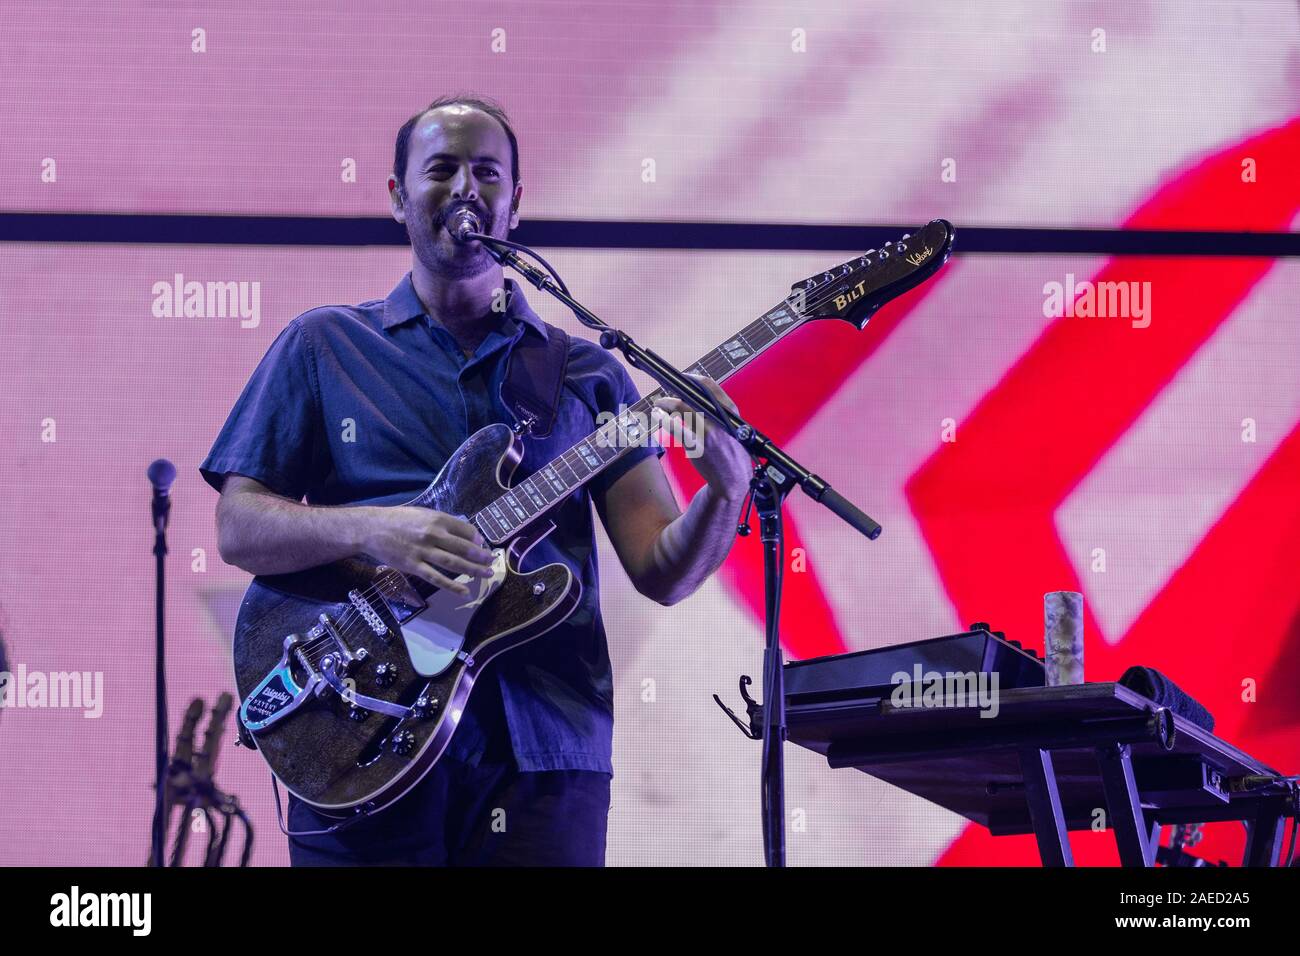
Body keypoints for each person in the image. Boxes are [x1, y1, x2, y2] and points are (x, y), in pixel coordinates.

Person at [200, 95, 752, 866]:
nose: (466, 187)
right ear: (396, 196)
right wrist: (375, 528)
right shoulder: (325, 346)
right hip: (358, 731)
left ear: (515, 204)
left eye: (487, 172)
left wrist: (724, 494)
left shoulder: (587, 373)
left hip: (543, 748)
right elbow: (238, 528)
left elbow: (662, 569)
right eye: (441, 169)